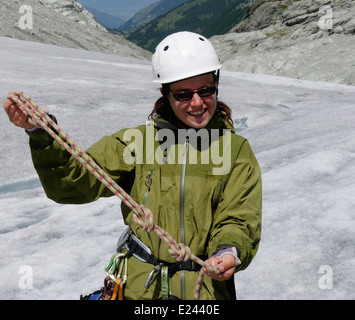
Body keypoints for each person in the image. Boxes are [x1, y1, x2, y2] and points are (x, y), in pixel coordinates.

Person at [3, 31, 262, 300]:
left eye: (206, 90)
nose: (197, 103)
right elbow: (72, 183)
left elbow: (239, 218)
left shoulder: (236, 152)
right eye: (184, 94)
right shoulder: (137, 143)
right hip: (140, 291)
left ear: (216, 85)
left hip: (205, 292)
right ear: (165, 93)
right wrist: (40, 132)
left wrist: (228, 251)